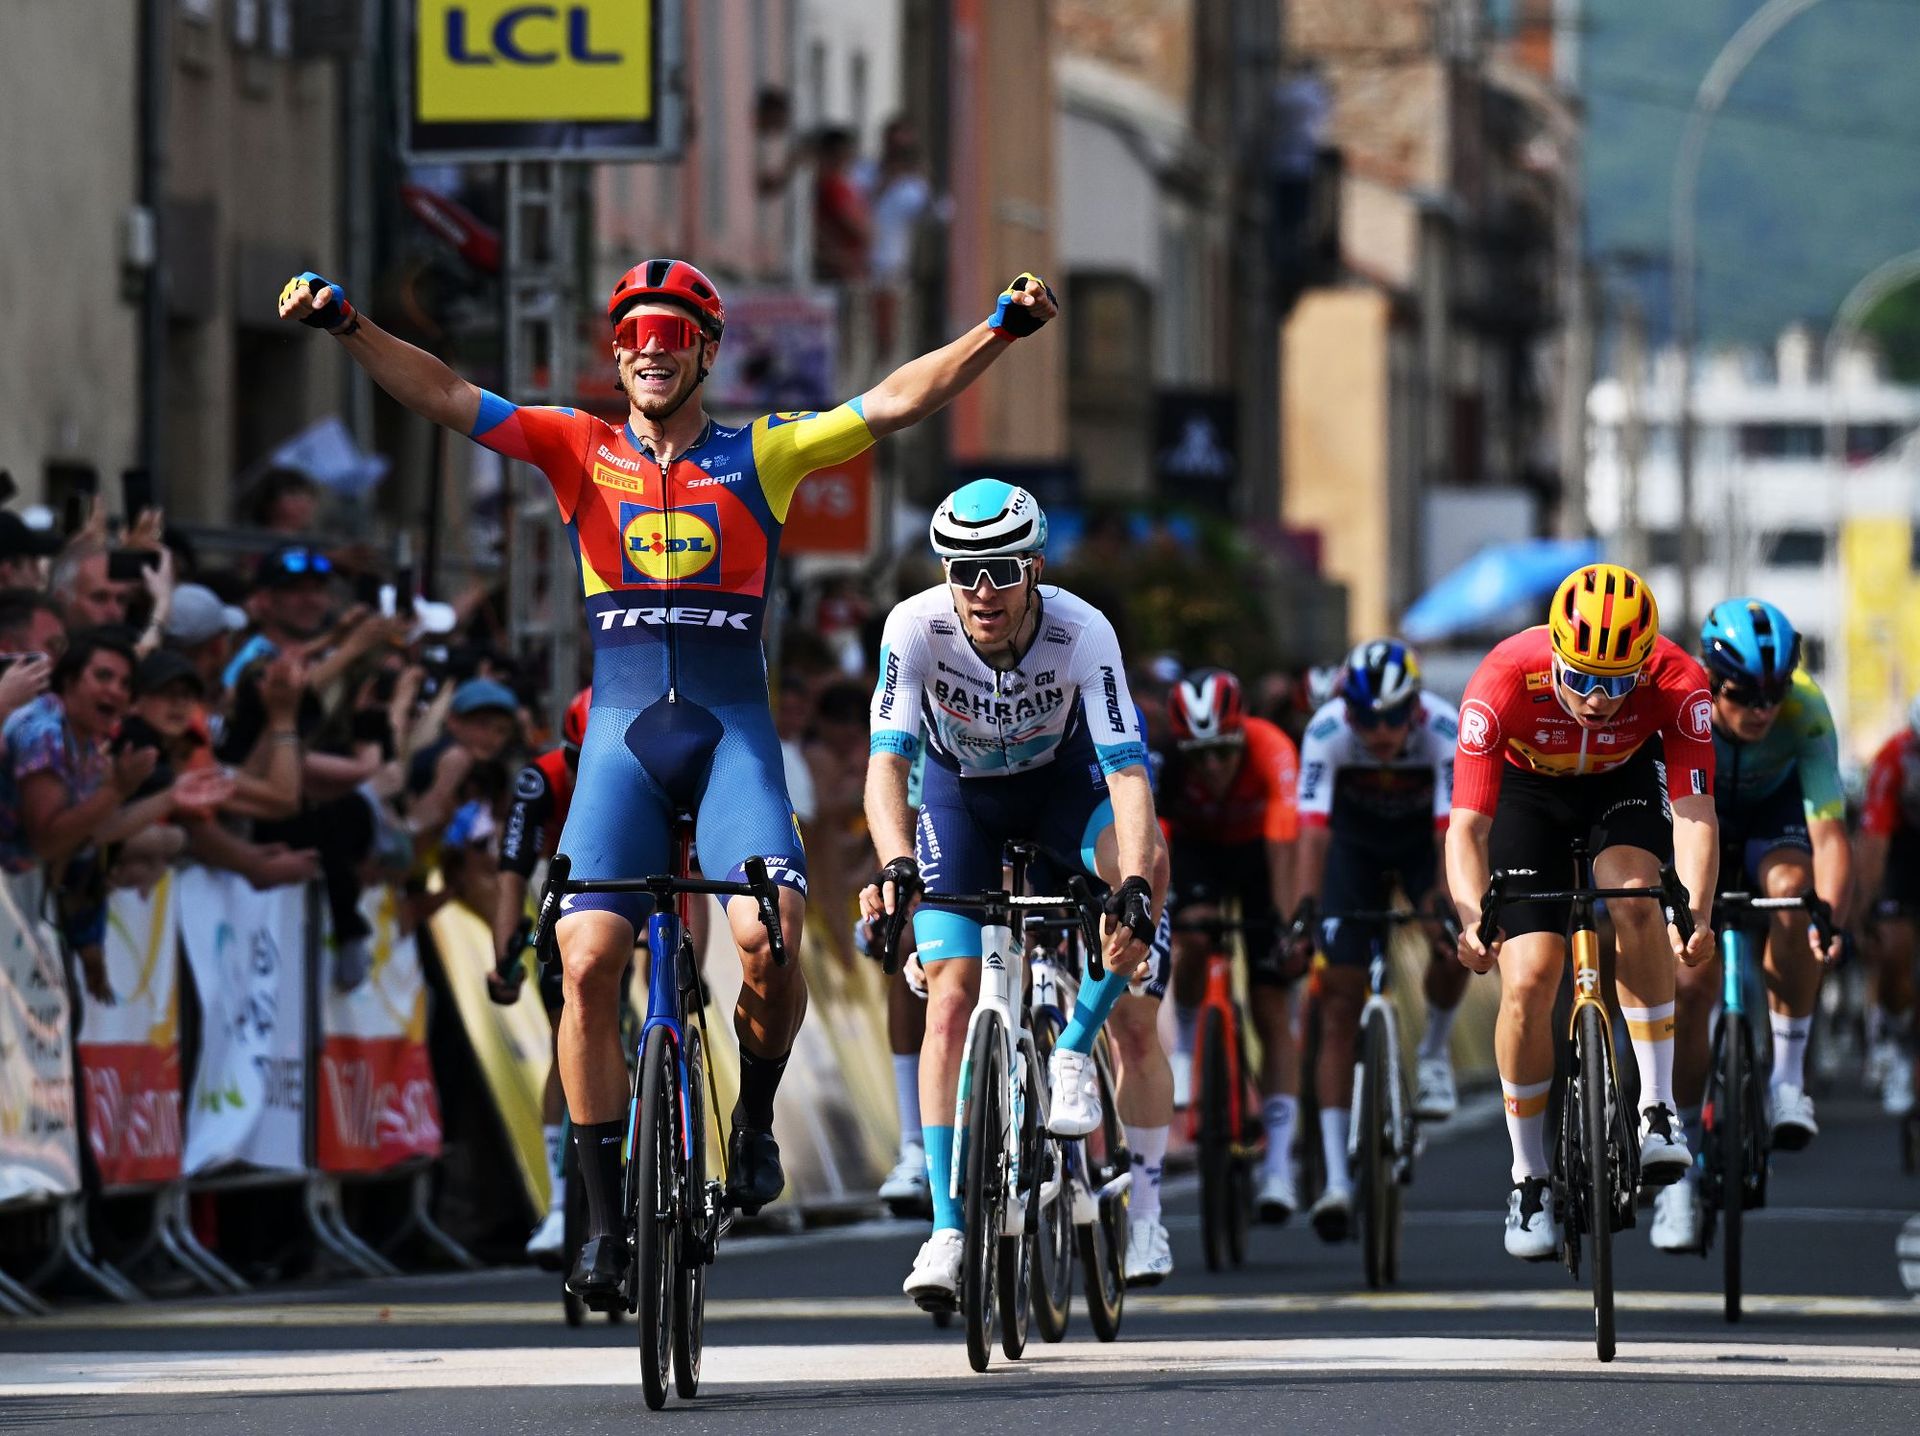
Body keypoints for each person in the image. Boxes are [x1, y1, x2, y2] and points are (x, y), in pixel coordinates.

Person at [279, 255, 1059, 1304]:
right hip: (622, 735)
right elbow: (445, 394)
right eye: (635, 335)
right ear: (618, 353)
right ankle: (603, 1225)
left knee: (764, 934)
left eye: (672, 335)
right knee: (588, 953)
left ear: (705, 352)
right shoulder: (575, 445)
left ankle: (752, 1120)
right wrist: (349, 324)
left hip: (733, 731)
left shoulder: (765, 454)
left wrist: (998, 331)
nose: (651, 349)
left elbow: (898, 398)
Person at [862, 479, 1171, 1305]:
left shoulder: (1082, 631)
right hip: (960, 799)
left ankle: (1072, 1045)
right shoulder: (914, 627)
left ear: (1034, 566)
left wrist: (1134, 885)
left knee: (1145, 867)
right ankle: (947, 1229)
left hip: (1064, 786)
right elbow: (887, 765)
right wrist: (895, 863)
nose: (982, 591)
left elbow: (1128, 772)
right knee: (950, 1002)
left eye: (1001, 570)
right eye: (963, 572)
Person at [1446, 564, 1717, 1261]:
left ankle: (1657, 1109)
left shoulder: (1681, 682)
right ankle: (1528, 1177)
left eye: (1620, 683)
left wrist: (1696, 914)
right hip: (1527, 793)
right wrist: (1474, 916)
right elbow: (1466, 830)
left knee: (1634, 895)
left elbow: (1694, 813)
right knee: (1531, 974)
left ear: (1646, 665)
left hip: (1623, 782)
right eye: (1582, 679)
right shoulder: (1502, 679)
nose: (1598, 699)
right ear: (1556, 654)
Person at [1648, 600, 1851, 1254]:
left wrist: (1830, 914)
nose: (1761, 709)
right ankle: (1676, 1163)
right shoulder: (1683, 706)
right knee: (1689, 982)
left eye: (1773, 693)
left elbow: (1829, 831)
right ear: (1713, 680)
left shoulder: (1807, 710)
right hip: (1694, 818)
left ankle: (1788, 1081)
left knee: (1796, 896)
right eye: (1743, 695)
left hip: (1772, 820)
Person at [1290, 639, 1466, 1240]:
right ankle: (1337, 1179)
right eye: (1368, 718)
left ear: (1414, 709)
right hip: (1354, 851)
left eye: (1394, 717)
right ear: (1349, 711)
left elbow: (1452, 835)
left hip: (1423, 847)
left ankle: (1435, 1054)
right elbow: (1311, 833)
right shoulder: (1326, 731)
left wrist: (1447, 910)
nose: (1382, 731)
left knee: (1454, 939)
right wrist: (1305, 910)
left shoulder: (1444, 727)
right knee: (1338, 1002)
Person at [1161, 667, 1303, 1223]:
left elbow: (1287, 849)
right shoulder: (1166, 762)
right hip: (1197, 852)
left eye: (1223, 751)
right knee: (1193, 935)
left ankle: (1279, 1166)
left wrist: (1288, 926)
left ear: (1241, 732)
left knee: (1272, 1007)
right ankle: (1188, 1042)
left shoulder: (1272, 749)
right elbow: (1154, 844)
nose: (1213, 765)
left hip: (1259, 858)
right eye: (1201, 755)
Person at [489, 686, 590, 1266]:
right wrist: (505, 955)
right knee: (567, 1031)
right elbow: (512, 873)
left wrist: (688, 965)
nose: (583, 775)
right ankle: (559, 1207)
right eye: (576, 763)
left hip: (635, 870)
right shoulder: (541, 779)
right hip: (567, 883)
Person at [1855, 693, 1920, 1119]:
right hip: (1904, 852)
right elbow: (1874, 844)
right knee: (1895, 949)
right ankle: (1896, 1039)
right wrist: (1865, 910)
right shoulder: (1894, 757)